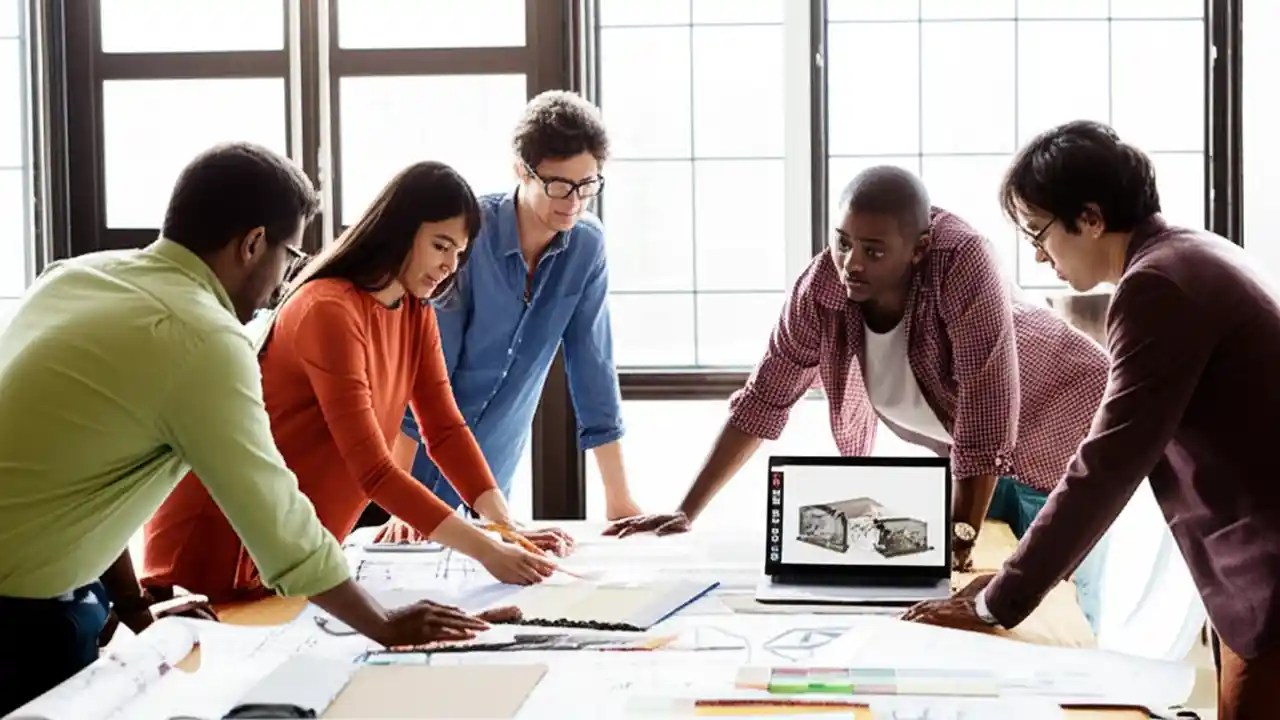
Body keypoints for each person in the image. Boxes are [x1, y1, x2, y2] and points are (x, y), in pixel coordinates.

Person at [0, 144, 504, 716]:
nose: (282, 281)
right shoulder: (203, 336)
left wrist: (136, 608)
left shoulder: (75, 276)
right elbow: (276, 515)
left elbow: (86, 477)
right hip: (23, 618)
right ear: (252, 244)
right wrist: (384, 622)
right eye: (288, 256)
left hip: (64, 593)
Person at [605, 166, 1111, 629]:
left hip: (1061, 430)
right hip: (975, 465)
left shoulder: (960, 260)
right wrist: (686, 510)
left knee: (1048, 621)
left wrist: (960, 544)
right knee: (967, 613)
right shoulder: (822, 289)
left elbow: (987, 406)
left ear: (918, 249)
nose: (851, 263)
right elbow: (764, 398)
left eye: (873, 250)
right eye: (842, 243)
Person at [901, 120, 1280, 720]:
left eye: (1037, 230)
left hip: (1266, 571)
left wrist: (997, 603)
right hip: (1246, 570)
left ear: (1092, 217)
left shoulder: (1157, 287)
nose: (1035, 252)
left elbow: (1105, 467)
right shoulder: (1192, 253)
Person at [140, 162, 572, 604]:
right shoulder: (327, 310)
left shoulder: (414, 311)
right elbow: (375, 473)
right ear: (402, 231)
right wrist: (487, 551)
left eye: (459, 254)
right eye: (441, 245)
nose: (449, 265)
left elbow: (443, 429)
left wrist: (505, 527)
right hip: (218, 544)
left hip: (291, 552)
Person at [388, 90, 641, 527]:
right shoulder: (471, 235)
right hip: (410, 470)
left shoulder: (586, 247)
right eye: (559, 185)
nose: (573, 201)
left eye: (587, 185)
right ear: (521, 171)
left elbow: (593, 369)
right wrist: (401, 502)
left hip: (490, 486)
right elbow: (428, 376)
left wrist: (618, 499)